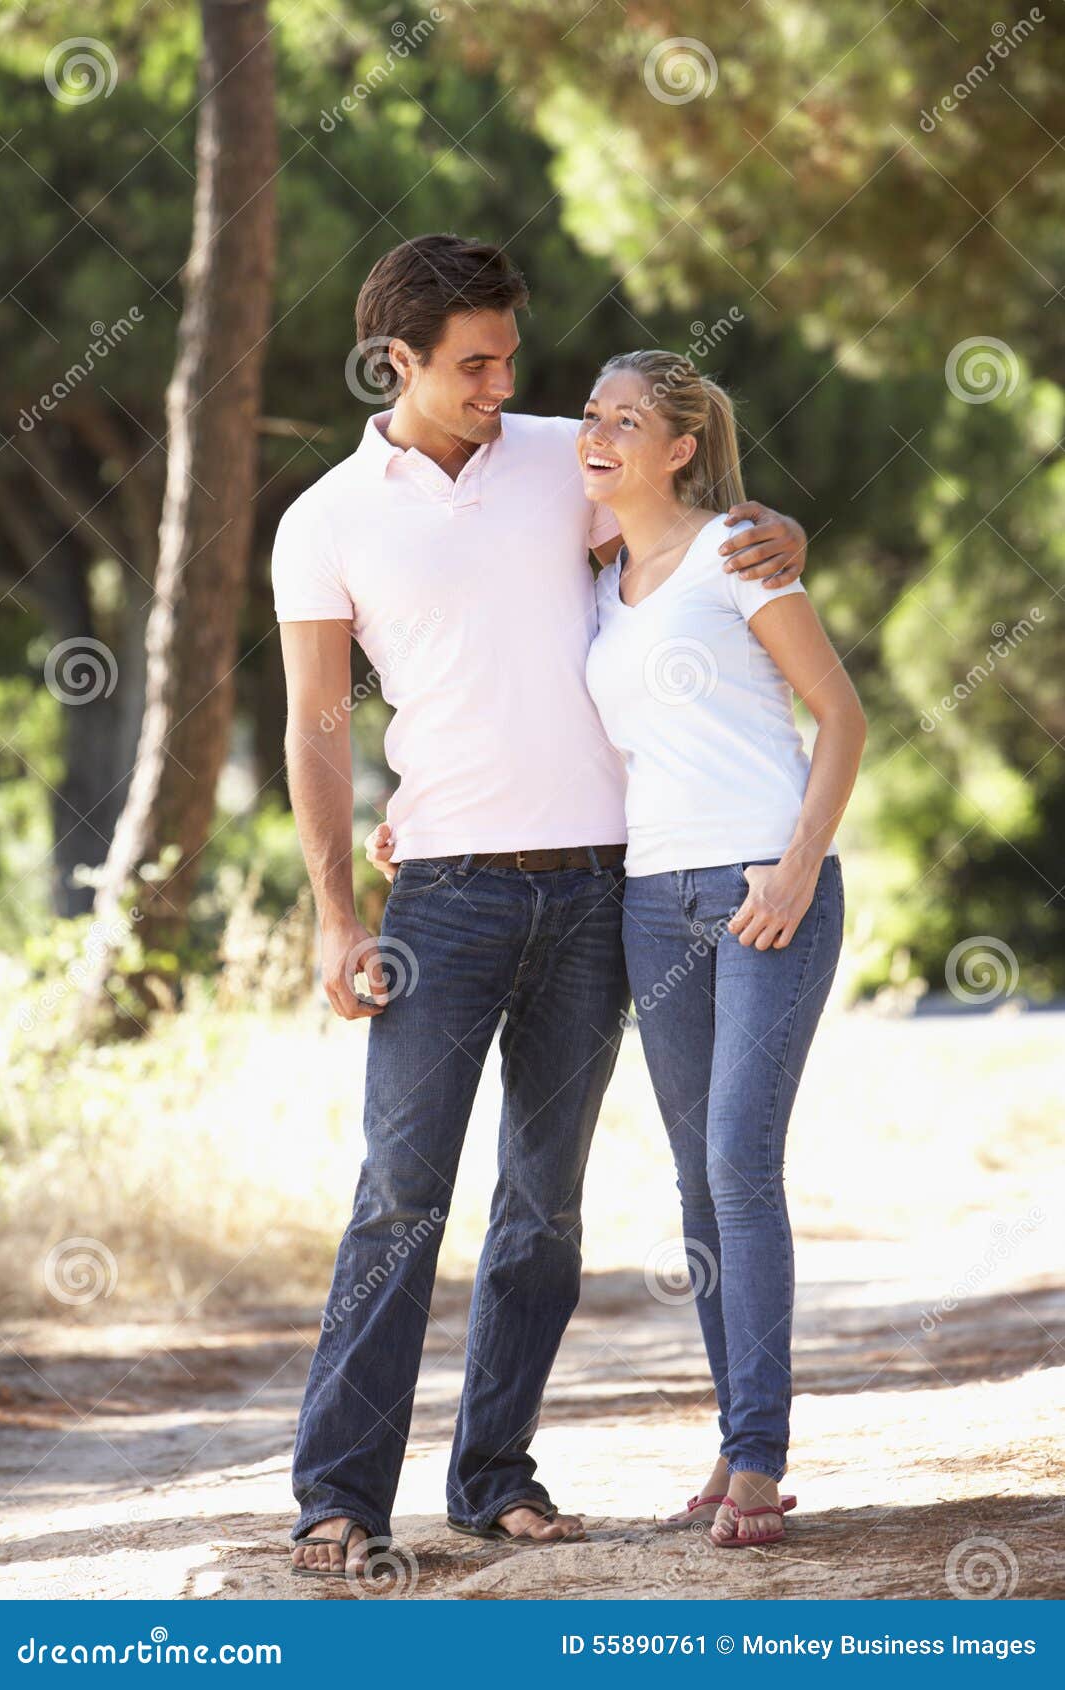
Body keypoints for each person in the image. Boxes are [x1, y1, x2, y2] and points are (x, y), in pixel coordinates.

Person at [272, 235, 809, 1579]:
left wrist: (780, 533)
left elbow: (691, 531)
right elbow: (317, 726)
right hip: (441, 896)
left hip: (597, 887)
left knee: (542, 1204)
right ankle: (338, 1493)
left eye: (509, 357)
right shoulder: (325, 521)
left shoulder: (564, 457)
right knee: (399, 1193)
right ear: (395, 360)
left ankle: (493, 1473)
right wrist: (335, 912)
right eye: (473, 364)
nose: (501, 385)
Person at [581, 350, 866, 1547]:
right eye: (590, 415)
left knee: (740, 1163)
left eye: (624, 421)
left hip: (764, 887)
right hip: (652, 898)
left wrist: (796, 863)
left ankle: (757, 1458)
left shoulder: (736, 553)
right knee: (696, 1179)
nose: (596, 436)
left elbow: (840, 714)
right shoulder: (597, 578)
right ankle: (731, 1436)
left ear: (680, 448)